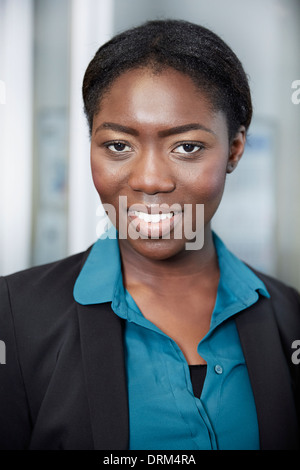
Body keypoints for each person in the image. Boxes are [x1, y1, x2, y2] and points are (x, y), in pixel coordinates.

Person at [0, 19, 299, 451]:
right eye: (119, 145)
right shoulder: (14, 314)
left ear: (234, 150)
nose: (151, 180)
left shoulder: (286, 314)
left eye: (187, 147)